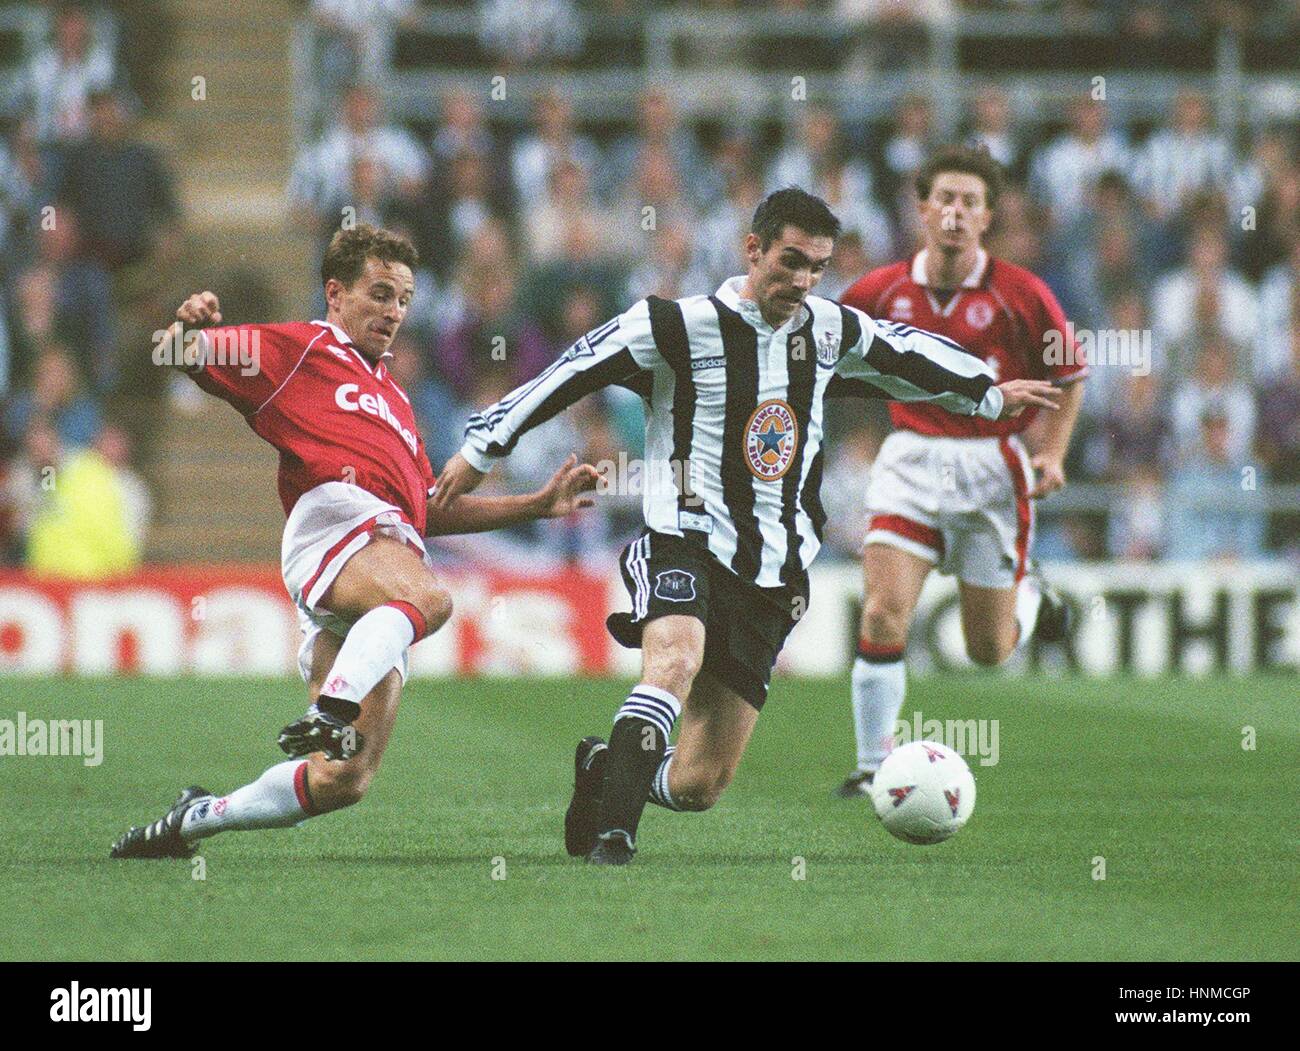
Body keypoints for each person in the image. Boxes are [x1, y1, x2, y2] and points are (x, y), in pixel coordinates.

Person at [435, 187, 1061, 865]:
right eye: (790, 260)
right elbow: (569, 371)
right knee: (674, 659)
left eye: (817, 267)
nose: (802, 280)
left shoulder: (826, 329)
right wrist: (479, 452)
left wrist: (989, 390)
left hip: (774, 572)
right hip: (684, 539)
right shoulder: (671, 325)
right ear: (753, 249)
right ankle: (615, 837)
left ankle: (604, 767)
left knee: (702, 782)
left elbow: (905, 353)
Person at [110, 224, 596, 859]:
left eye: (403, 301)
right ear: (336, 294)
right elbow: (174, 354)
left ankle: (193, 819)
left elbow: (426, 510)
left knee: (345, 779)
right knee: (432, 600)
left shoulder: (395, 398)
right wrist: (187, 328)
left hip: (383, 560)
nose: (393, 312)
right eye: (381, 294)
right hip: (333, 521)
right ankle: (334, 707)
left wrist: (536, 505)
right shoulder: (300, 349)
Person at [834, 146, 1086, 797]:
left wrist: (1052, 452)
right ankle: (869, 766)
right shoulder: (878, 290)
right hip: (910, 455)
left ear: (987, 216)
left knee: (988, 650)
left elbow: (1071, 375)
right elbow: (823, 355)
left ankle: (1032, 599)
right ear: (922, 209)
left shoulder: (1022, 293)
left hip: (990, 471)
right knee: (885, 612)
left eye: (969, 202)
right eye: (944, 198)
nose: (955, 212)